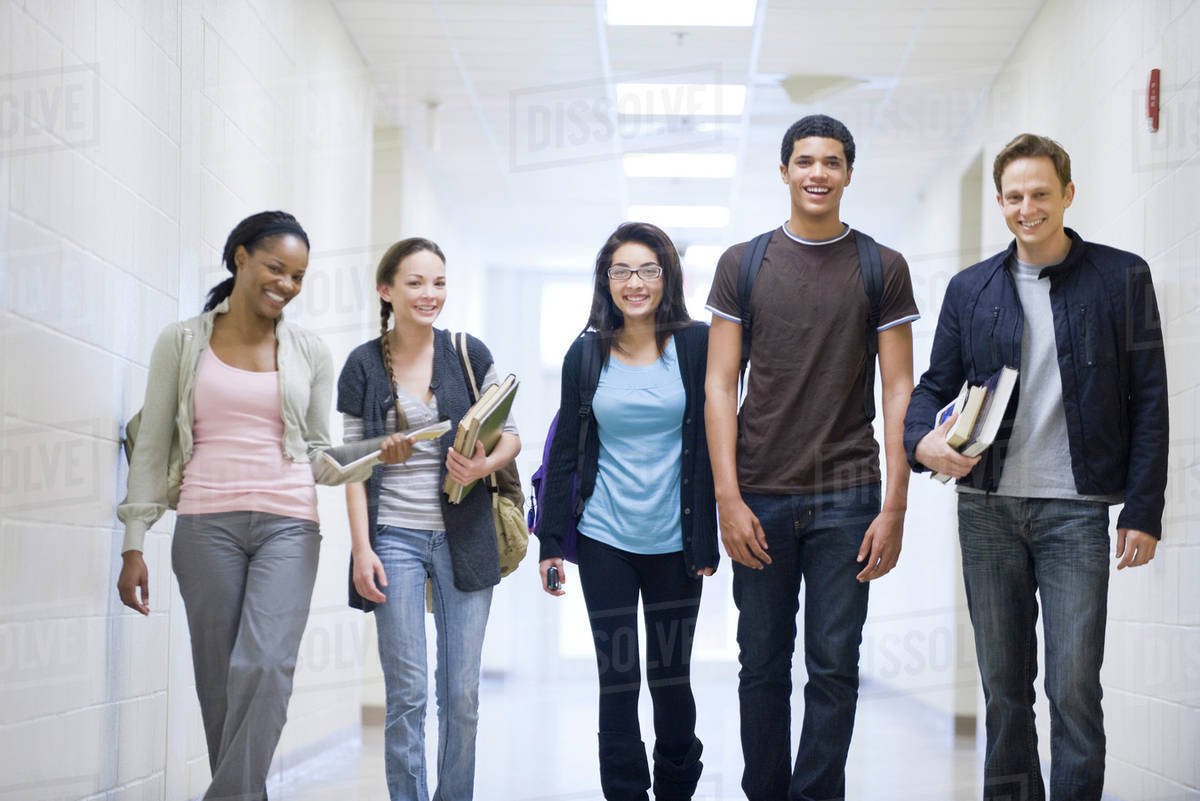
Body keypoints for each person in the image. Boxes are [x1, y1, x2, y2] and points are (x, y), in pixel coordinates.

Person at [904, 133, 1168, 801]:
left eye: (1042, 194)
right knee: (1004, 692)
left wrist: (1143, 507)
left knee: (1073, 688)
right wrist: (919, 442)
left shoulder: (1122, 277)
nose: (1029, 208)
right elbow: (935, 386)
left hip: (1075, 513)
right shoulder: (972, 289)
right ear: (1000, 202)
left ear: (1068, 194)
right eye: (1015, 197)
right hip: (987, 513)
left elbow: (1150, 395)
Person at [116, 210, 395, 801]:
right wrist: (134, 541)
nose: (287, 285)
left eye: (298, 276)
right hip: (203, 523)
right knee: (220, 684)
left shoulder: (309, 351)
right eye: (277, 268)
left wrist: (377, 454)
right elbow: (150, 449)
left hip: (287, 524)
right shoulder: (183, 341)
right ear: (240, 257)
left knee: (264, 667)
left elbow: (319, 456)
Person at [704, 114, 919, 801]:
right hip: (760, 493)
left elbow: (898, 388)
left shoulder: (880, 266)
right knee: (761, 665)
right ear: (784, 171)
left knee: (833, 666)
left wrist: (895, 504)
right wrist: (727, 498)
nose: (818, 173)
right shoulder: (744, 262)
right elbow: (717, 383)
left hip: (849, 494)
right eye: (805, 161)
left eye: (831, 161)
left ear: (849, 173)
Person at [538, 221, 718, 801]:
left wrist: (715, 535)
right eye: (622, 271)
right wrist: (548, 544)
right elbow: (565, 450)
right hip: (605, 537)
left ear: (668, 277)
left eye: (647, 270)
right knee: (617, 679)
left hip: (676, 541)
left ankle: (675, 790)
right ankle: (623, 794)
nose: (634, 283)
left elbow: (720, 442)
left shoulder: (697, 345)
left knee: (670, 679)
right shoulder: (585, 353)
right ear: (605, 280)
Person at [337, 237, 520, 801]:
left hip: (465, 536)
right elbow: (349, 465)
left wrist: (480, 463)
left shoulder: (468, 351)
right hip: (393, 537)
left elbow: (511, 435)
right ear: (386, 290)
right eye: (415, 283)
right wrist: (361, 548)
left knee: (461, 694)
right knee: (408, 694)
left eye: (438, 282)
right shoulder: (364, 364)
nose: (429, 294)